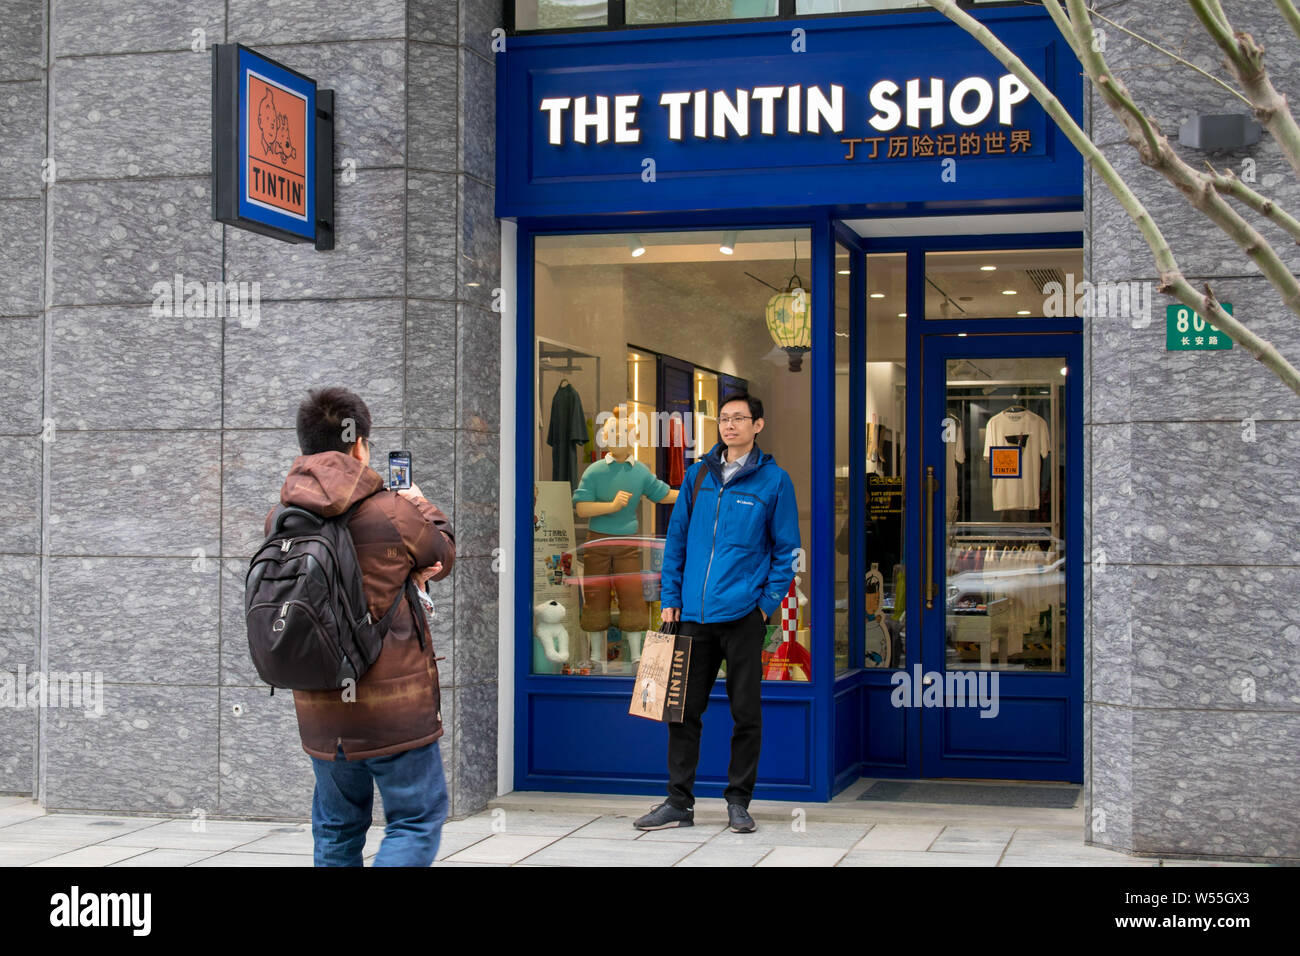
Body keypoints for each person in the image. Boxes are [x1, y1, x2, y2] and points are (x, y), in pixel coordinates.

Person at [264, 387, 455, 866]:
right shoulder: (391, 511)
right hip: (395, 712)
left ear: (305, 444)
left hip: (321, 707)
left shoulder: (282, 517)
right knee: (414, 820)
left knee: (335, 828)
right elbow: (441, 553)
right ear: (361, 446)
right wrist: (422, 506)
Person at [637, 392, 800, 834]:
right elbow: (677, 542)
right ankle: (678, 802)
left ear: (757, 425)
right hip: (692, 616)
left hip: (743, 616)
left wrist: (764, 607)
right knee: (682, 711)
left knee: (746, 713)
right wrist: (671, 594)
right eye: (724, 419)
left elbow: (787, 553)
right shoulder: (697, 476)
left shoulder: (774, 481)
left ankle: (738, 801)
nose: (730, 426)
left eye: (739, 419)